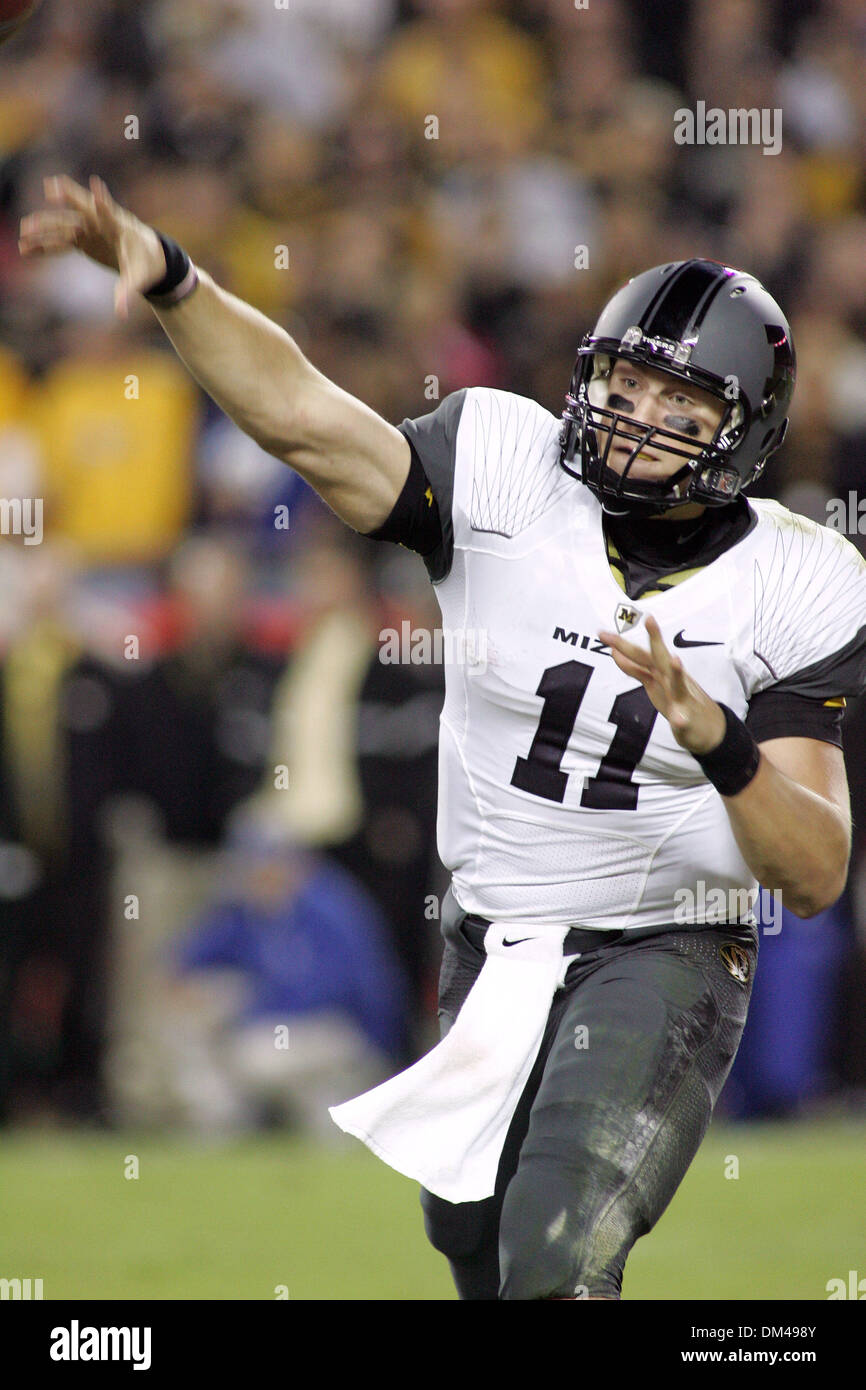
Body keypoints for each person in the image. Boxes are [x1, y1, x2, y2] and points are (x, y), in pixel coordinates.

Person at [20, 178, 866, 1300]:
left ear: (741, 430)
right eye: (621, 379)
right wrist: (177, 278)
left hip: (660, 948)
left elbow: (810, 871)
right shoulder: (502, 464)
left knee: (559, 1252)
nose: (632, 415)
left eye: (678, 404)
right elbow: (302, 415)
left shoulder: (800, 578)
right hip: (493, 939)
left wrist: (718, 742)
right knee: (473, 1249)